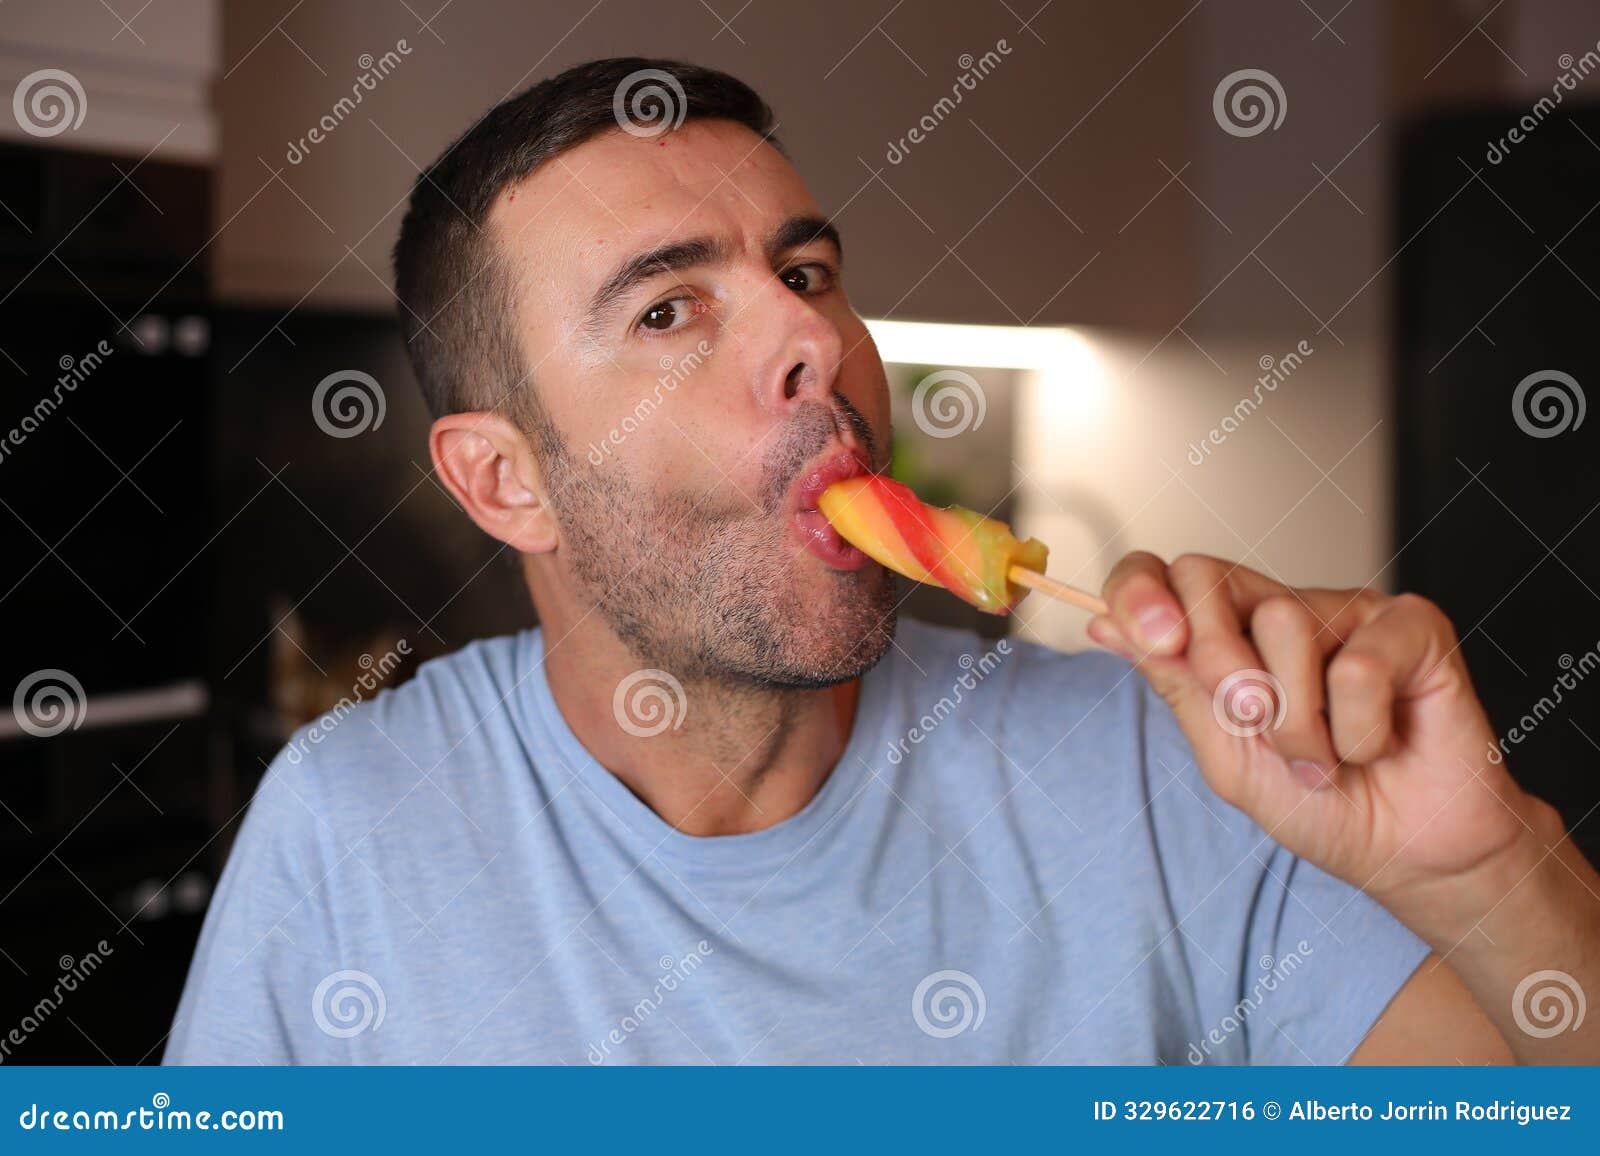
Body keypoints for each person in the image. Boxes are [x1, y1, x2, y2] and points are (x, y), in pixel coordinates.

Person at [165, 57, 1598, 1065]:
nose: (813, 340)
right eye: (670, 312)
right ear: (505, 480)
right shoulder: (353, 826)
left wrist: (1488, 869)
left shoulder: (1177, 779)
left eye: (805, 275)